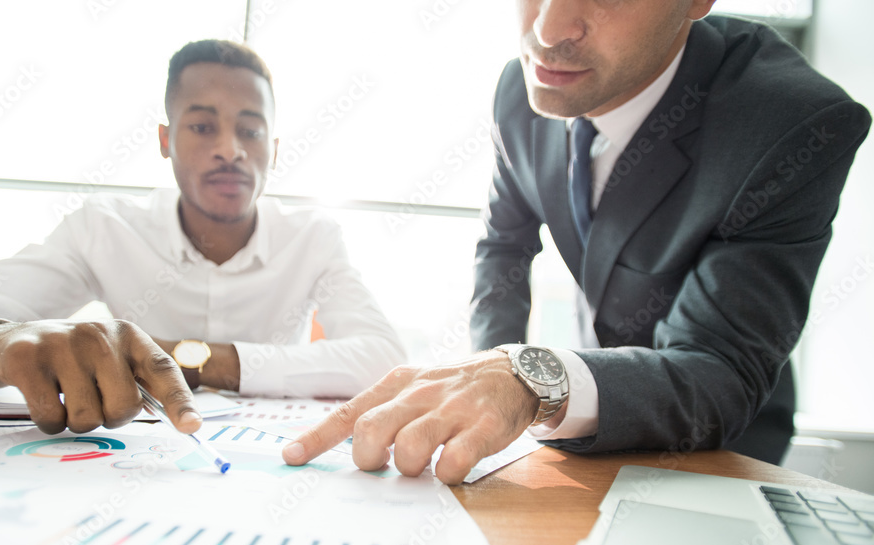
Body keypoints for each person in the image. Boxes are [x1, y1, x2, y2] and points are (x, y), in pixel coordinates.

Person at [282, 1, 871, 481]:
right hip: (582, 419)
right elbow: (503, 249)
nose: (546, 30)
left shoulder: (792, 124)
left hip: (714, 450)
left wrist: (532, 380)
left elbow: (719, 365)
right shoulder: (523, 88)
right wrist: (496, 380)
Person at [0, 40, 405, 436]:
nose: (230, 149)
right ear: (165, 140)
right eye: (201, 127)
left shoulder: (313, 236)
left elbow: (383, 357)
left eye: (251, 130)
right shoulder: (104, 228)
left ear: (274, 146)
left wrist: (190, 358)